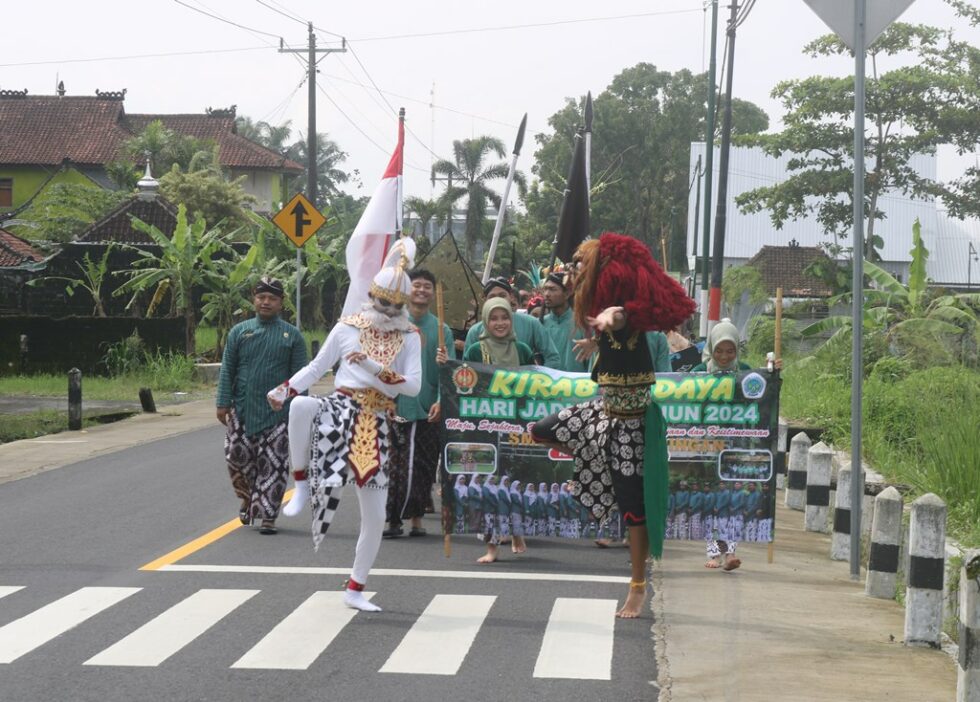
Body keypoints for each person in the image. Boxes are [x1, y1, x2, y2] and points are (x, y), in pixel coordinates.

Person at [531, 232, 696, 618]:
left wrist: (609, 318)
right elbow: (611, 326)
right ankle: (595, 457)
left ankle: (638, 585)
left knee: (634, 512)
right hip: (601, 413)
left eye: (583, 266)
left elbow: (618, 316)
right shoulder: (609, 323)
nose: (577, 272)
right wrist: (596, 341)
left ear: (608, 274)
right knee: (540, 430)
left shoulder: (622, 316)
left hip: (633, 428)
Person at [266, 240, 422, 612]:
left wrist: (370, 367)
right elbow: (316, 369)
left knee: (376, 514)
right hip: (339, 409)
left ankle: (355, 587)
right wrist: (285, 388)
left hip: (375, 423)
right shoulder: (346, 328)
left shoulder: (410, 336)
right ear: (371, 296)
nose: (387, 312)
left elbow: (412, 387)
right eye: (382, 303)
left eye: (395, 306)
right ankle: (300, 483)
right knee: (301, 404)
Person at [216, 277, 308, 535]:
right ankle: (248, 499)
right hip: (242, 409)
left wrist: (300, 412)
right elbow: (228, 370)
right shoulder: (239, 332)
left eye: (272, 298)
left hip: (278, 414)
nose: (266, 302)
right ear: (254, 300)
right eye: (261, 297)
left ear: (281, 303)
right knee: (235, 456)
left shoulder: (293, 336)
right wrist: (222, 403)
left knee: (274, 464)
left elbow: (301, 377)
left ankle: (268, 516)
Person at [383, 268, 453, 539]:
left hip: (428, 407)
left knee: (424, 465)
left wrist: (439, 400)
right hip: (398, 405)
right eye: (417, 285)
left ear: (434, 293)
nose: (422, 290)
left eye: (427, 286)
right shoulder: (394, 325)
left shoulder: (442, 329)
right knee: (396, 465)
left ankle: (416, 520)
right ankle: (392, 521)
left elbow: (450, 374)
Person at [464, 278, 560, 367]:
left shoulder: (531, 326)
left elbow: (552, 357)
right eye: (492, 296)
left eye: (502, 295)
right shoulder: (475, 336)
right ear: (485, 300)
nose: (498, 300)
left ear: (511, 297)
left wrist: (538, 381)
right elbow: (466, 373)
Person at [541, 270, 590, 372]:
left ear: (567, 294)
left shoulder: (583, 323)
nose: (546, 294)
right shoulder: (540, 324)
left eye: (552, 289)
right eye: (545, 289)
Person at [463, 298, 535, 366]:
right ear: (486, 321)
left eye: (505, 318)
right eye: (493, 319)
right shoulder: (475, 351)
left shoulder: (522, 350)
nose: (500, 323)